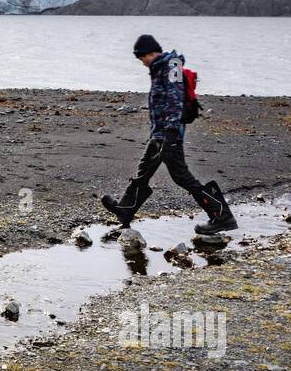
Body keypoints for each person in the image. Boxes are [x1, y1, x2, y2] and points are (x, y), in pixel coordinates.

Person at [100, 34, 236, 235]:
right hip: (160, 133)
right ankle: (125, 210)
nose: (142, 63)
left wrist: (171, 130)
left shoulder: (172, 65)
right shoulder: (159, 68)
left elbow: (175, 98)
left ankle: (222, 216)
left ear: (151, 53)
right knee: (144, 170)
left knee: (182, 176)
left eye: (142, 58)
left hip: (168, 133)